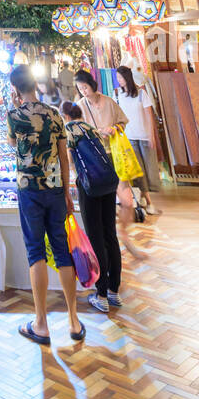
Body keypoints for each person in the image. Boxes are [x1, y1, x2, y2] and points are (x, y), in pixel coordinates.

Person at [7, 63, 85, 347]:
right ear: (35, 84)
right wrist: (67, 192)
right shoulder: (54, 115)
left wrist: (16, 105)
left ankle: (41, 323)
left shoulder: (13, 116)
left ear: (15, 89)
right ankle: (74, 321)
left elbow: (13, 145)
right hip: (55, 190)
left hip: (28, 191)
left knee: (36, 253)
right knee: (62, 251)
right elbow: (65, 157)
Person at [62, 101, 122, 315]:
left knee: (95, 236)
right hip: (108, 181)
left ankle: (102, 295)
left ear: (66, 116)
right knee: (110, 235)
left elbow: (68, 158)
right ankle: (114, 289)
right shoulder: (90, 127)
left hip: (90, 186)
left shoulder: (68, 129)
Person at [75, 69, 143, 258]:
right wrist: (96, 133)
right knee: (104, 205)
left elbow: (122, 122)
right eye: (80, 89)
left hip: (115, 157)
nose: (83, 92)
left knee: (127, 202)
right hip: (96, 161)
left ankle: (124, 235)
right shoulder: (80, 106)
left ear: (92, 84)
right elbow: (78, 131)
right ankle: (109, 246)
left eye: (85, 87)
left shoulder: (109, 102)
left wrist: (113, 129)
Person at [116, 64, 161, 214]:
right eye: (117, 78)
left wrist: (151, 136)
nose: (119, 81)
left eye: (121, 78)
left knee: (150, 169)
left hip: (144, 136)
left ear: (127, 77)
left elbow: (149, 116)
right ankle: (149, 202)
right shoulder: (117, 95)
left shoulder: (141, 94)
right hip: (129, 137)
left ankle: (143, 197)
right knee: (138, 171)